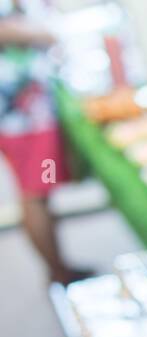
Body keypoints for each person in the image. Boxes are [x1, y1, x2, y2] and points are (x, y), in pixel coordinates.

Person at [1, 2, 86, 284]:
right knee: (36, 192)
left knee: (41, 190)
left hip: (28, 108)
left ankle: (58, 267)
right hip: (20, 115)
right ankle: (58, 272)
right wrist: (43, 32)